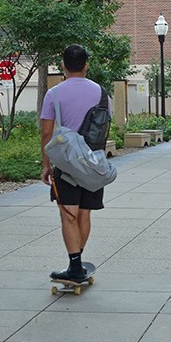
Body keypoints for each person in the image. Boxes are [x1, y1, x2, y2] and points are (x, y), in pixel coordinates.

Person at [40, 44, 110, 282]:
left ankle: (74, 265)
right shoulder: (102, 92)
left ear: (63, 66)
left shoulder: (54, 94)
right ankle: (77, 263)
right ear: (86, 65)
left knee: (68, 213)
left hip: (67, 163)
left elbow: (46, 134)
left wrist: (46, 165)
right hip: (93, 162)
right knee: (85, 213)